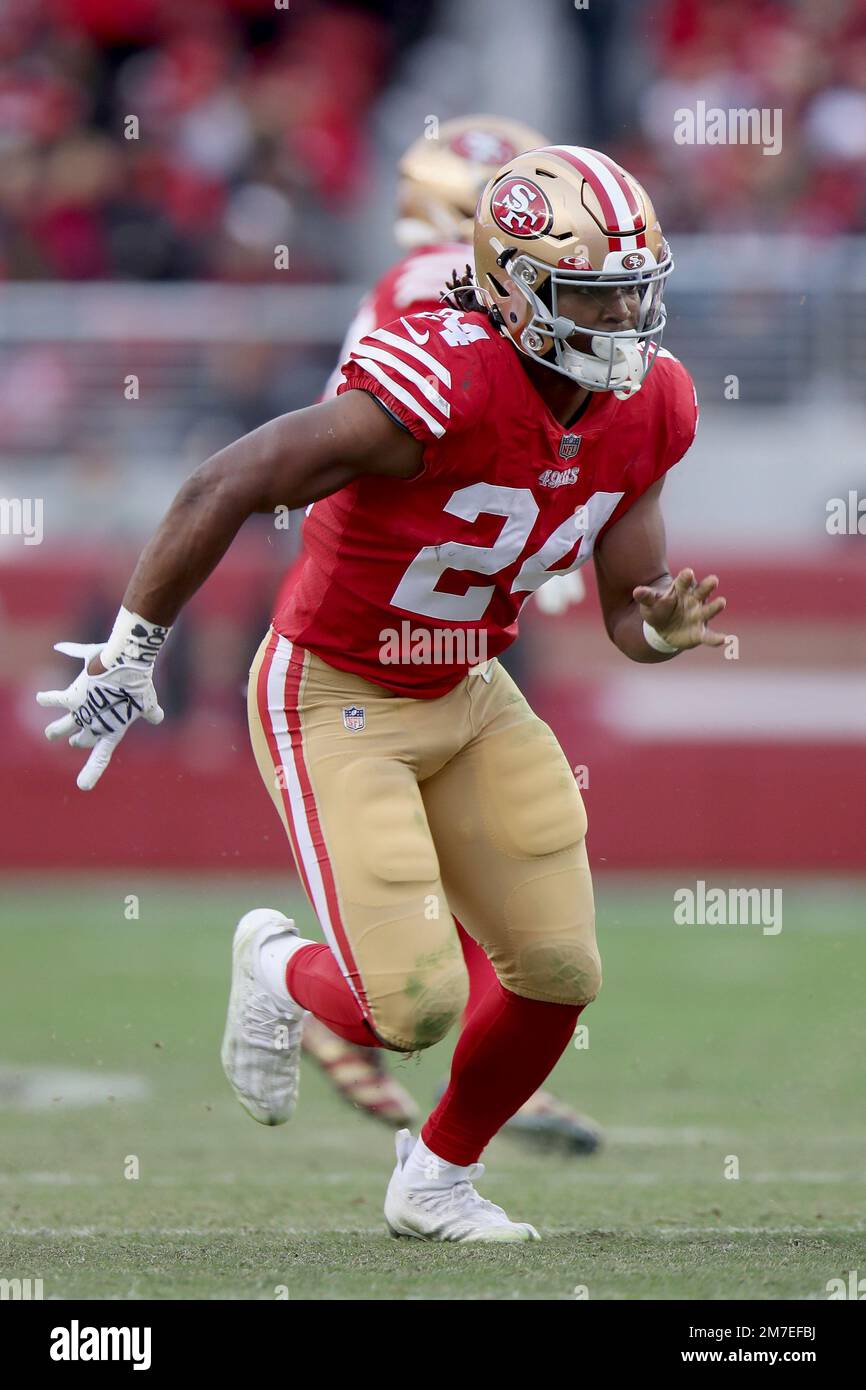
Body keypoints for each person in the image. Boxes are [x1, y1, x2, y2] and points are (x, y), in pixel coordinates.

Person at [37, 143, 729, 1242]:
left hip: (468, 685)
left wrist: (655, 628)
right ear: (514, 284)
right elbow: (228, 479)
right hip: (334, 688)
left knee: (557, 969)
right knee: (407, 1006)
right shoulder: (440, 375)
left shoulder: (649, 404)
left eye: (633, 292)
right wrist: (131, 647)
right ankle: (271, 961)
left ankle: (435, 1178)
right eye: (592, 294)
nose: (622, 321)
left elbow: (622, 606)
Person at [288, 114, 599, 1152]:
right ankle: (348, 1006)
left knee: (484, 844)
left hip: (455, 580)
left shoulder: (433, 288)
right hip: (402, 588)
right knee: (409, 848)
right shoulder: (441, 293)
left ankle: (458, 1037)